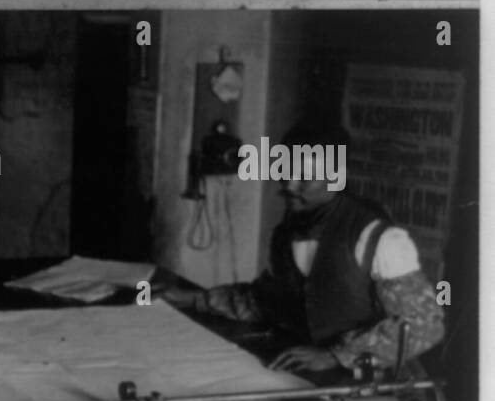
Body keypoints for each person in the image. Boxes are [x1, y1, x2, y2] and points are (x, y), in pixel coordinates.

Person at [165, 121, 443, 378]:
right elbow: (265, 302)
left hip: (374, 384)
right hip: (308, 377)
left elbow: (424, 325)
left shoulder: (380, 239)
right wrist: (195, 300)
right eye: (284, 173)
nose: (288, 186)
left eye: (303, 177)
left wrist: (337, 354)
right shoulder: (286, 232)